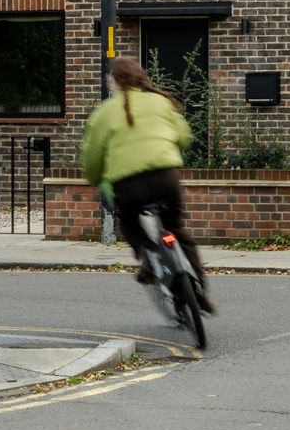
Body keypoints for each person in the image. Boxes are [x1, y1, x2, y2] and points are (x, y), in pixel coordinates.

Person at [79, 56, 214, 314]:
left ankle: (149, 257)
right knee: (178, 231)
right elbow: (184, 136)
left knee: (129, 223)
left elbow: (92, 157)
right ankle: (201, 293)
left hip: (129, 185)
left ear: (115, 82)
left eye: (111, 76)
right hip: (166, 178)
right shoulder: (160, 102)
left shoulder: (104, 112)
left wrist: (96, 180)